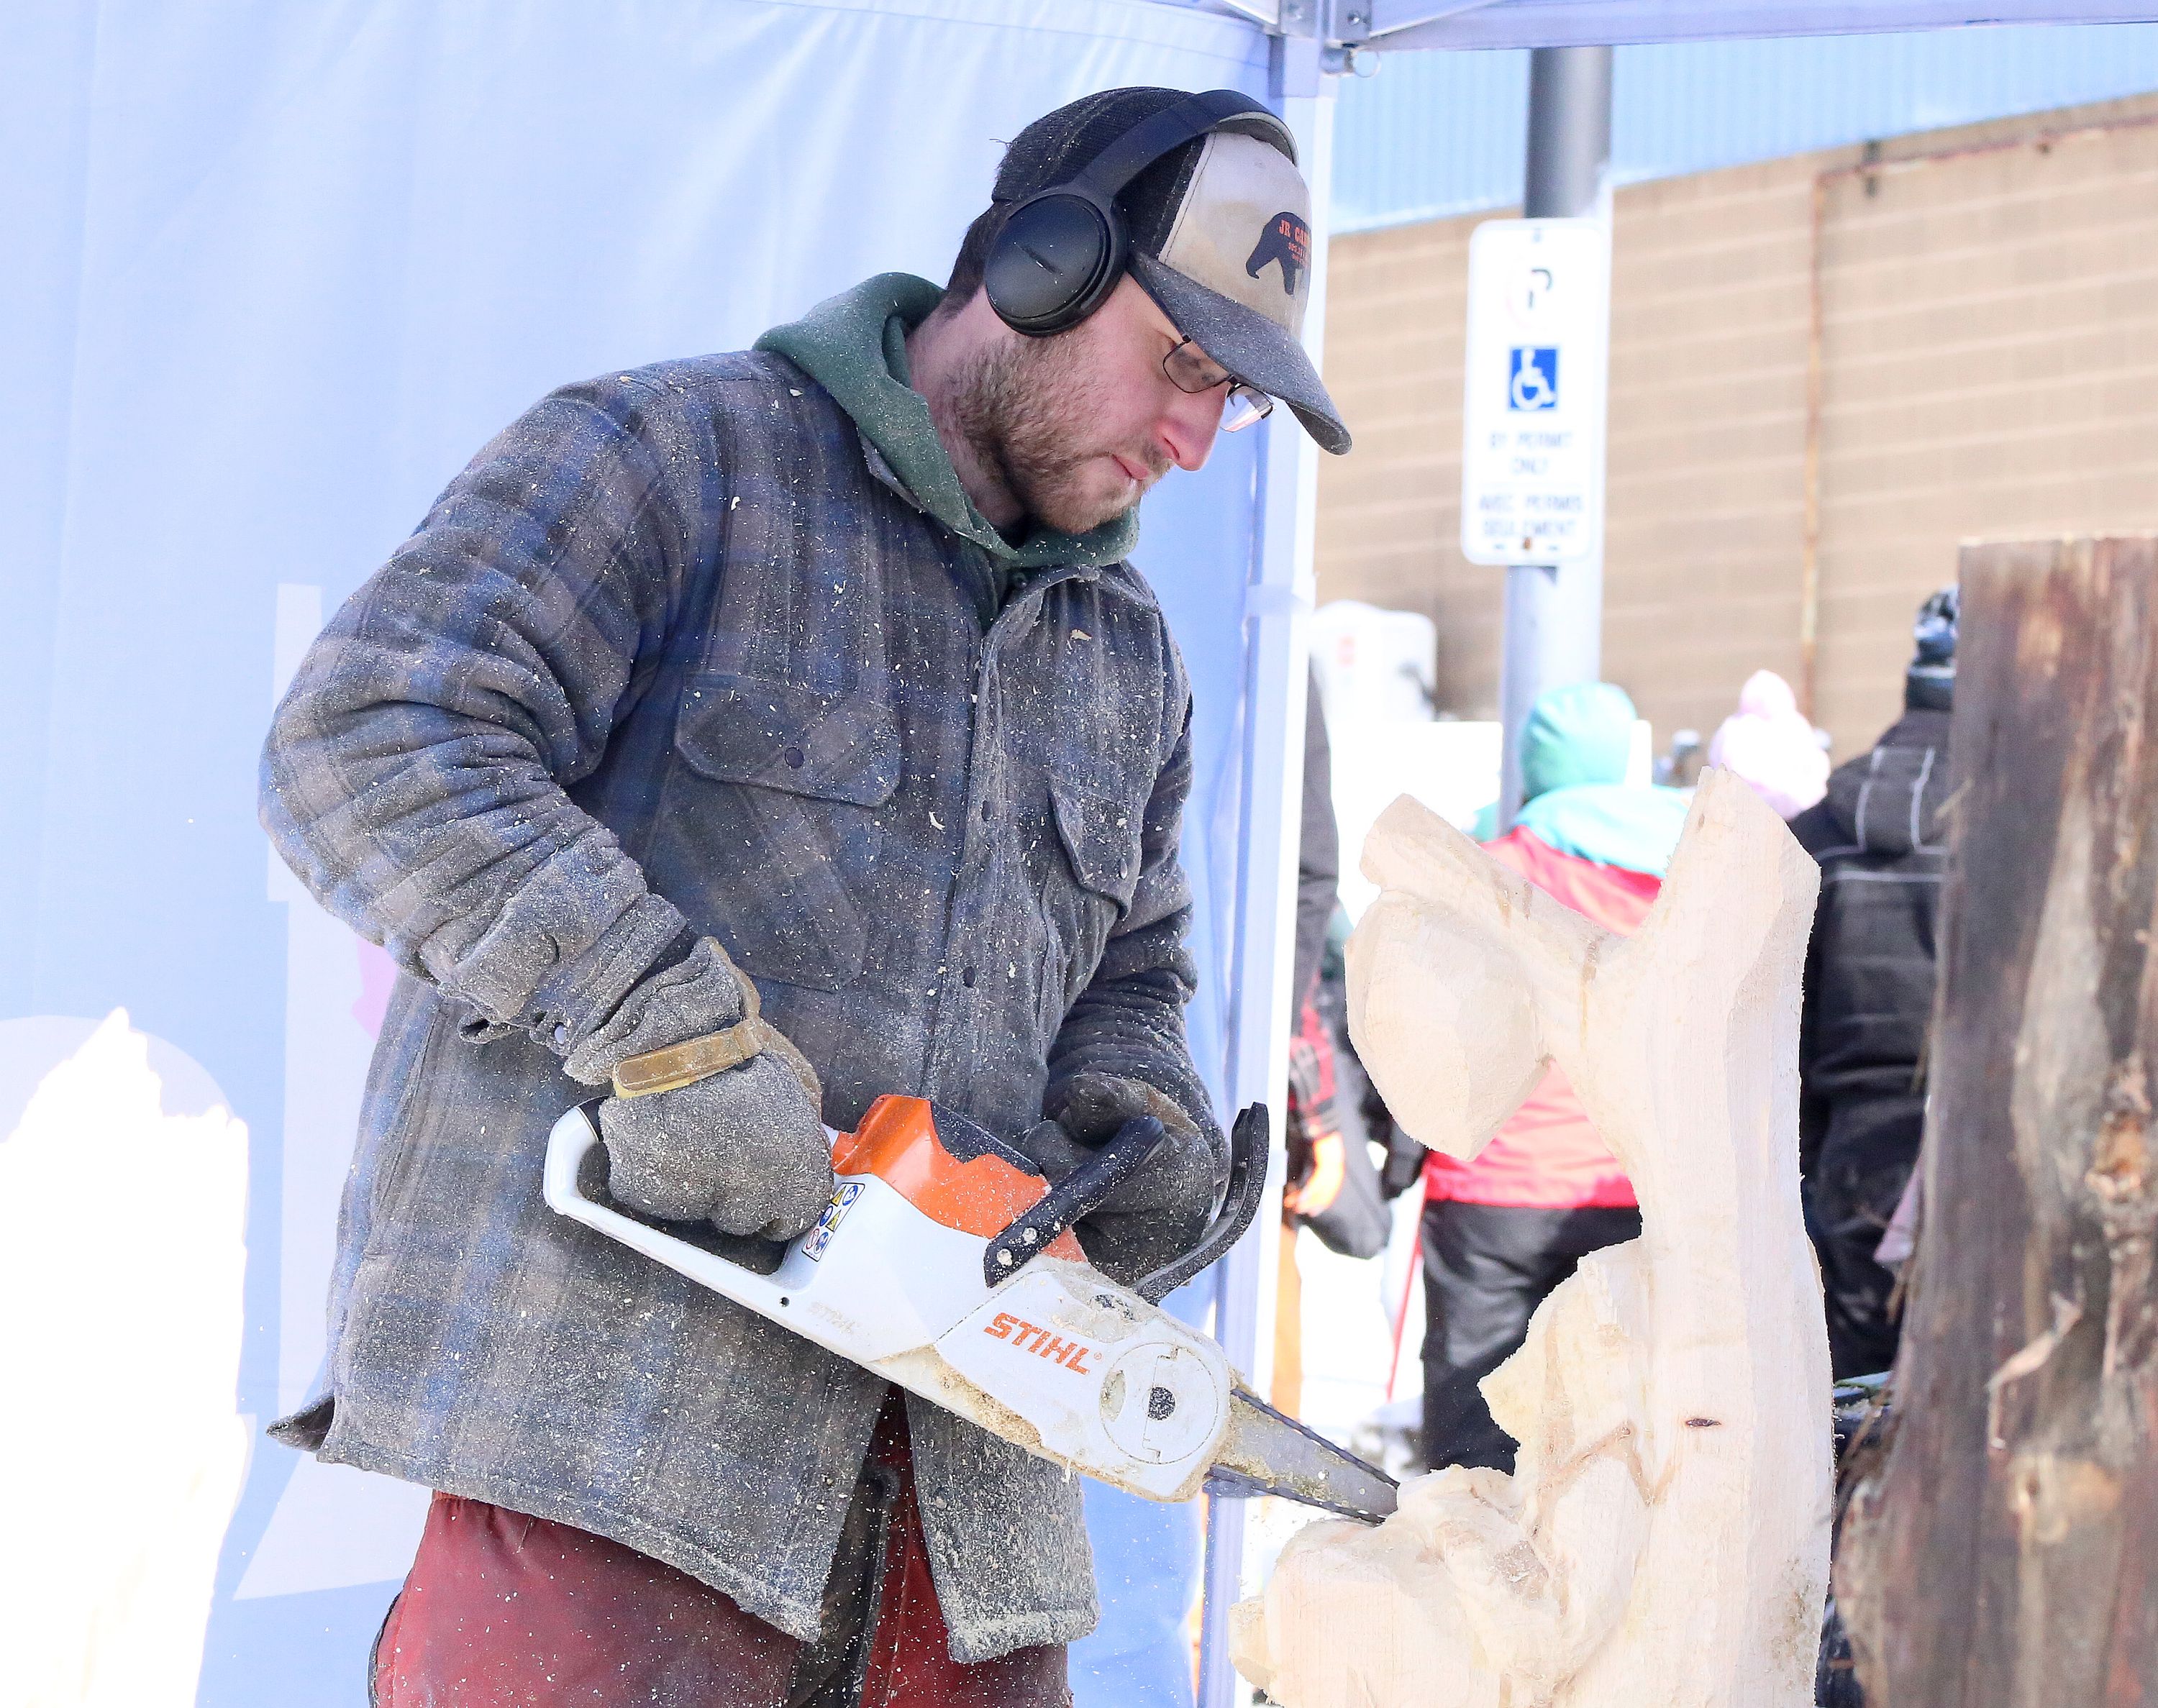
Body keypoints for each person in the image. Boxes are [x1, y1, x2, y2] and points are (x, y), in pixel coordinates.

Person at [258, 86, 1349, 1708]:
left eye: (1233, 401)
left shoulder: (1124, 650)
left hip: (968, 1506)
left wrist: (1139, 1108)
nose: (1192, 438)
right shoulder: (671, 461)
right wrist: (665, 1034)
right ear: (1043, 267)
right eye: (1185, 364)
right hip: (622, 1451)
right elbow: (371, 736)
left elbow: (1133, 968)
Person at [1421, 682, 1688, 1474]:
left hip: (1491, 1188)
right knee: (1616, 1431)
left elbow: (1425, 1023)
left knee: (1476, 1441)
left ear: (1534, 767)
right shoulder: (1689, 879)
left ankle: (1477, 1551)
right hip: (1634, 1186)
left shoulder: (1491, 873)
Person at [1789, 589, 1956, 1380]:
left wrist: (1804, 1162)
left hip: (1857, 1150)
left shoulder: (1817, 835)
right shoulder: (2043, 825)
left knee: (1861, 1393)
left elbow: (1776, 1021)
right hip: (2002, 1139)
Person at [1706, 667, 1829, 820]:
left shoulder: (1794, 724)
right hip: (1756, 811)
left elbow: (1814, 766)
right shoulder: (1738, 729)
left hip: (1791, 810)